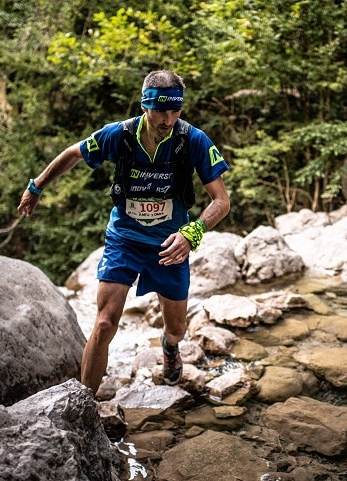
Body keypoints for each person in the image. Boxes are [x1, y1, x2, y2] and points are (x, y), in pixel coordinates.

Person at [17, 70, 230, 393]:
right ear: (145, 106)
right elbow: (75, 153)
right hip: (125, 240)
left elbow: (222, 201)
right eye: (160, 111)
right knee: (104, 323)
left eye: (175, 111)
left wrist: (192, 233)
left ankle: (169, 349)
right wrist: (36, 186)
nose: (168, 120)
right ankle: (84, 405)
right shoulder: (120, 135)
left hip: (170, 246)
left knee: (177, 329)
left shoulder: (193, 140)